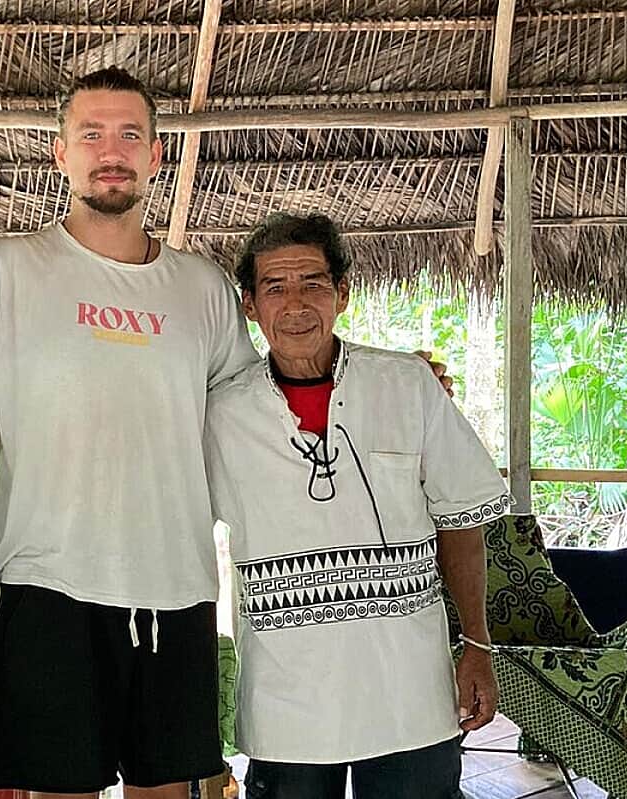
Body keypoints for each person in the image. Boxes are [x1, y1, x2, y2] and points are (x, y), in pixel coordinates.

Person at [0, 68, 454, 799]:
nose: (109, 150)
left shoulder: (202, 287)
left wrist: (389, 376)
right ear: (61, 155)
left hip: (175, 595)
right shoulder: (1, 271)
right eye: (91, 134)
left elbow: (265, 392)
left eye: (128, 135)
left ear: (154, 156)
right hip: (47, 591)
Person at [203, 212, 510, 799]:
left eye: (313, 283)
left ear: (343, 293)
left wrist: (476, 644)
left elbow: (460, 521)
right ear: (249, 305)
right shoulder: (219, 413)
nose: (295, 304)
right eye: (275, 287)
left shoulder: (408, 386)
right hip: (286, 705)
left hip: (412, 697)